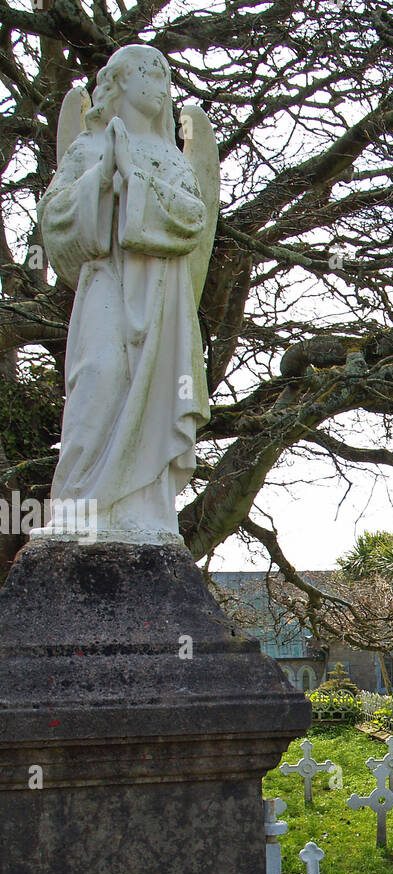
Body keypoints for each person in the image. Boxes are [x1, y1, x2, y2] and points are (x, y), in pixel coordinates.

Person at [37, 45, 211, 543]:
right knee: (100, 375)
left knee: (156, 392)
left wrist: (135, 181)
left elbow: (193, 220)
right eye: (146, 72)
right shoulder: (87, 149)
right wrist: (103, 178)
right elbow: (56, 222)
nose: (158, 83)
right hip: (107, 284)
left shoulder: (168, 156)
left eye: (163, 74)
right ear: (118, 81)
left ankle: (142, 511)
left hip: (161, 297)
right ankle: (77, 508)